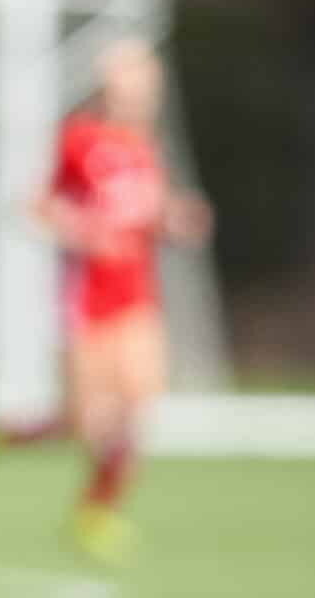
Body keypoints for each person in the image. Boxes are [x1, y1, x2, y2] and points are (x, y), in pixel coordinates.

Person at [34, 38, 211, 562]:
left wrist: (178, 221)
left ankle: (96, 511)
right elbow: (39, 207)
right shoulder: (78, 141)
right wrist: (83, 230)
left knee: (138, 409)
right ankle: (8, 432)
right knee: (87, 424)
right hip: (87, 300)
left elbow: (148, 216)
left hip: (137, 298)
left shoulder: (144, 147)